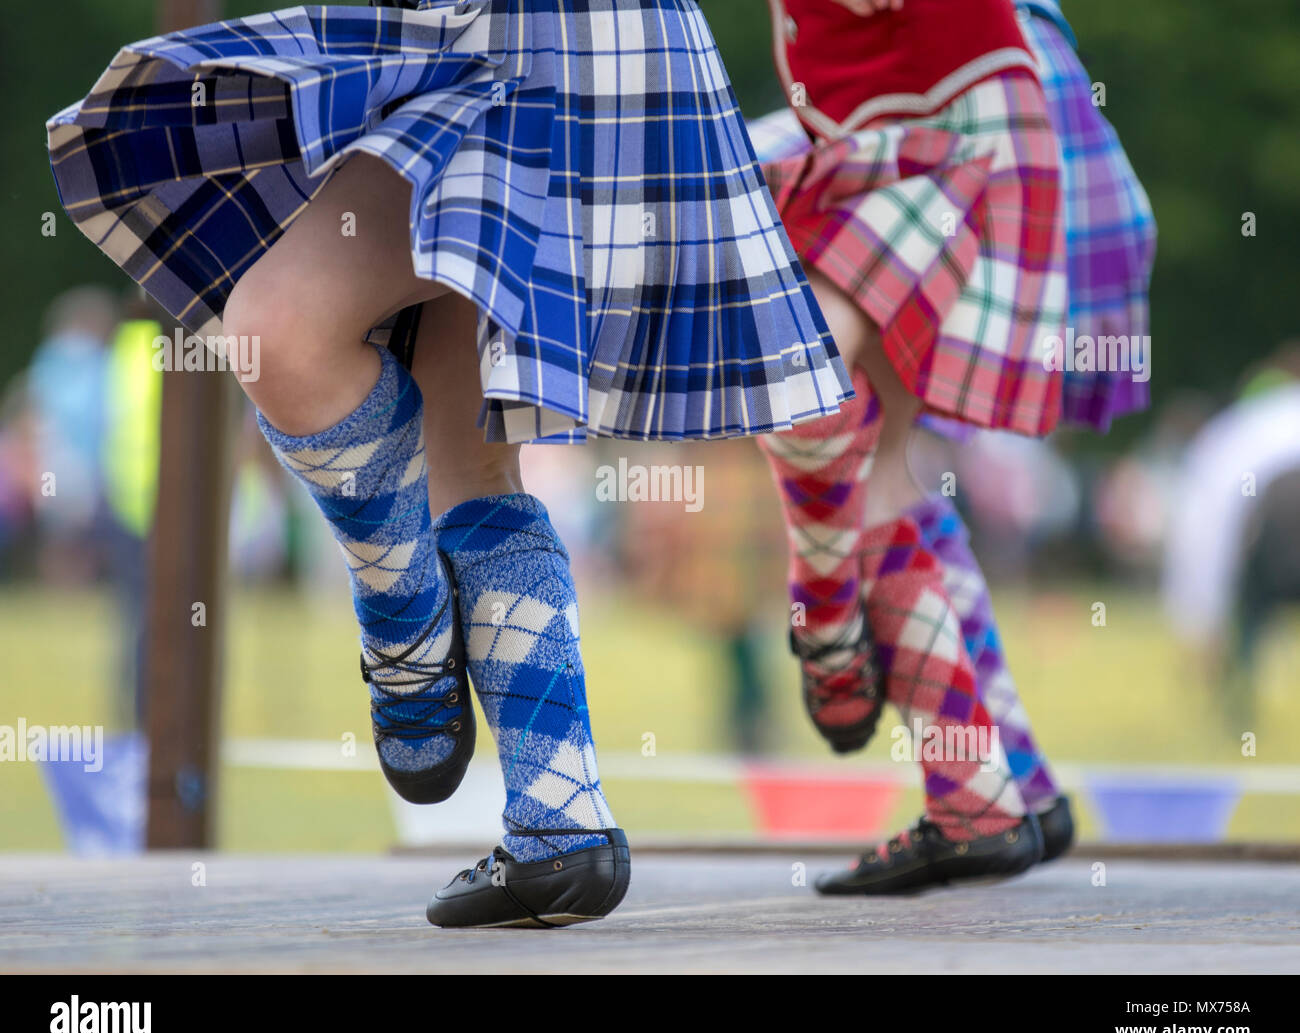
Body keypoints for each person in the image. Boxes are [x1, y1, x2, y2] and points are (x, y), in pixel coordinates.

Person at [46, 0, 851, 927]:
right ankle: (563, 830)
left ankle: (404, 631)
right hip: (528, 44)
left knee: (279, 333)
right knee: (468, 457)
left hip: (533, 42)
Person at [746, 0, 1154, 895]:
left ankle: (832, 631)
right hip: (938, 115)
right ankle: (1000, 785)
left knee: (802, 385)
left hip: (947, 127)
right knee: (875, 462)